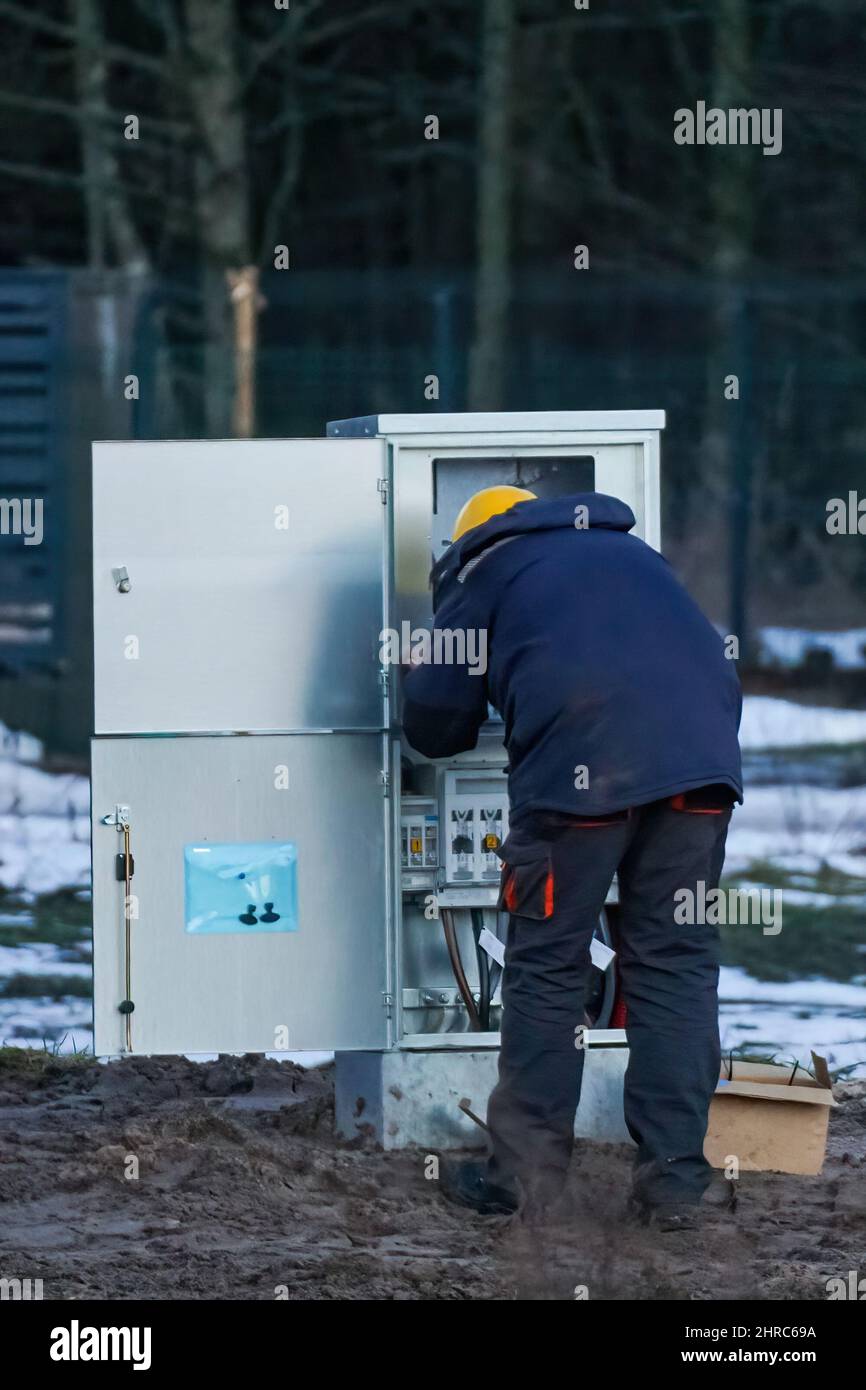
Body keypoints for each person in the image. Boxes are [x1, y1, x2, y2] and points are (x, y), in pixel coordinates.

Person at [402, 486, 742, 1226]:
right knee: (675, 964)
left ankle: (522, 1182)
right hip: (701, 773)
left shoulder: (485, 569)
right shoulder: (633, 554)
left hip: (580, 784)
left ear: (470, 539)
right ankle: (678, 1185)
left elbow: (430, 721)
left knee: (549, 967)